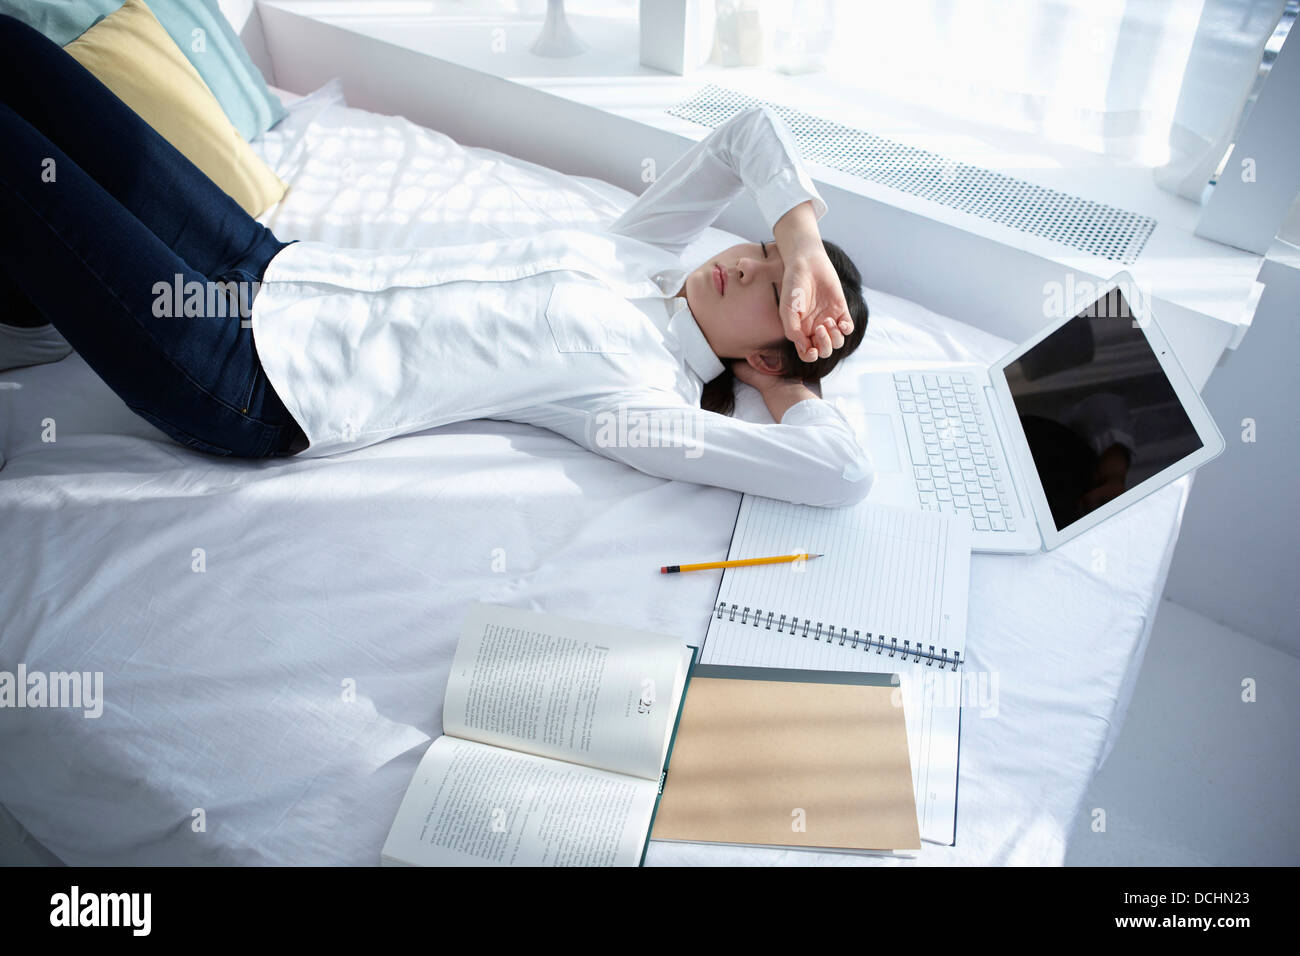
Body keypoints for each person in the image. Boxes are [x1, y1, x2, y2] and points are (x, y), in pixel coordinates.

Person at [0, 15, 872, 507]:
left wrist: (787, 387)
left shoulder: (644, 402)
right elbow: (746, 132)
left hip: (245, 379)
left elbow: (840, 474)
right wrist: (798, 234)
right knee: (19, 54)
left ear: (761, 355)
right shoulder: (637, 249)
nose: (745, 269)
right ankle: (27, 294)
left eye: (769, 294)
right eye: (758, 255)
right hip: (272, 268)